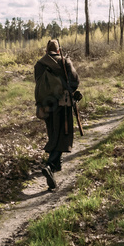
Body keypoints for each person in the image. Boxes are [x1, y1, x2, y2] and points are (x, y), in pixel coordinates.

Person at [34, 39, 81, 190]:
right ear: (58, 50)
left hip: (47, 105)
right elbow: (75, 81)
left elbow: (38, 83)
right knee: (63, 135)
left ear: (46, 51)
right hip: (63, 104)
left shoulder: (39, 64)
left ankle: (56, 164)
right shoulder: (65, 62)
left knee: (53, 133)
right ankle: (50, 166)